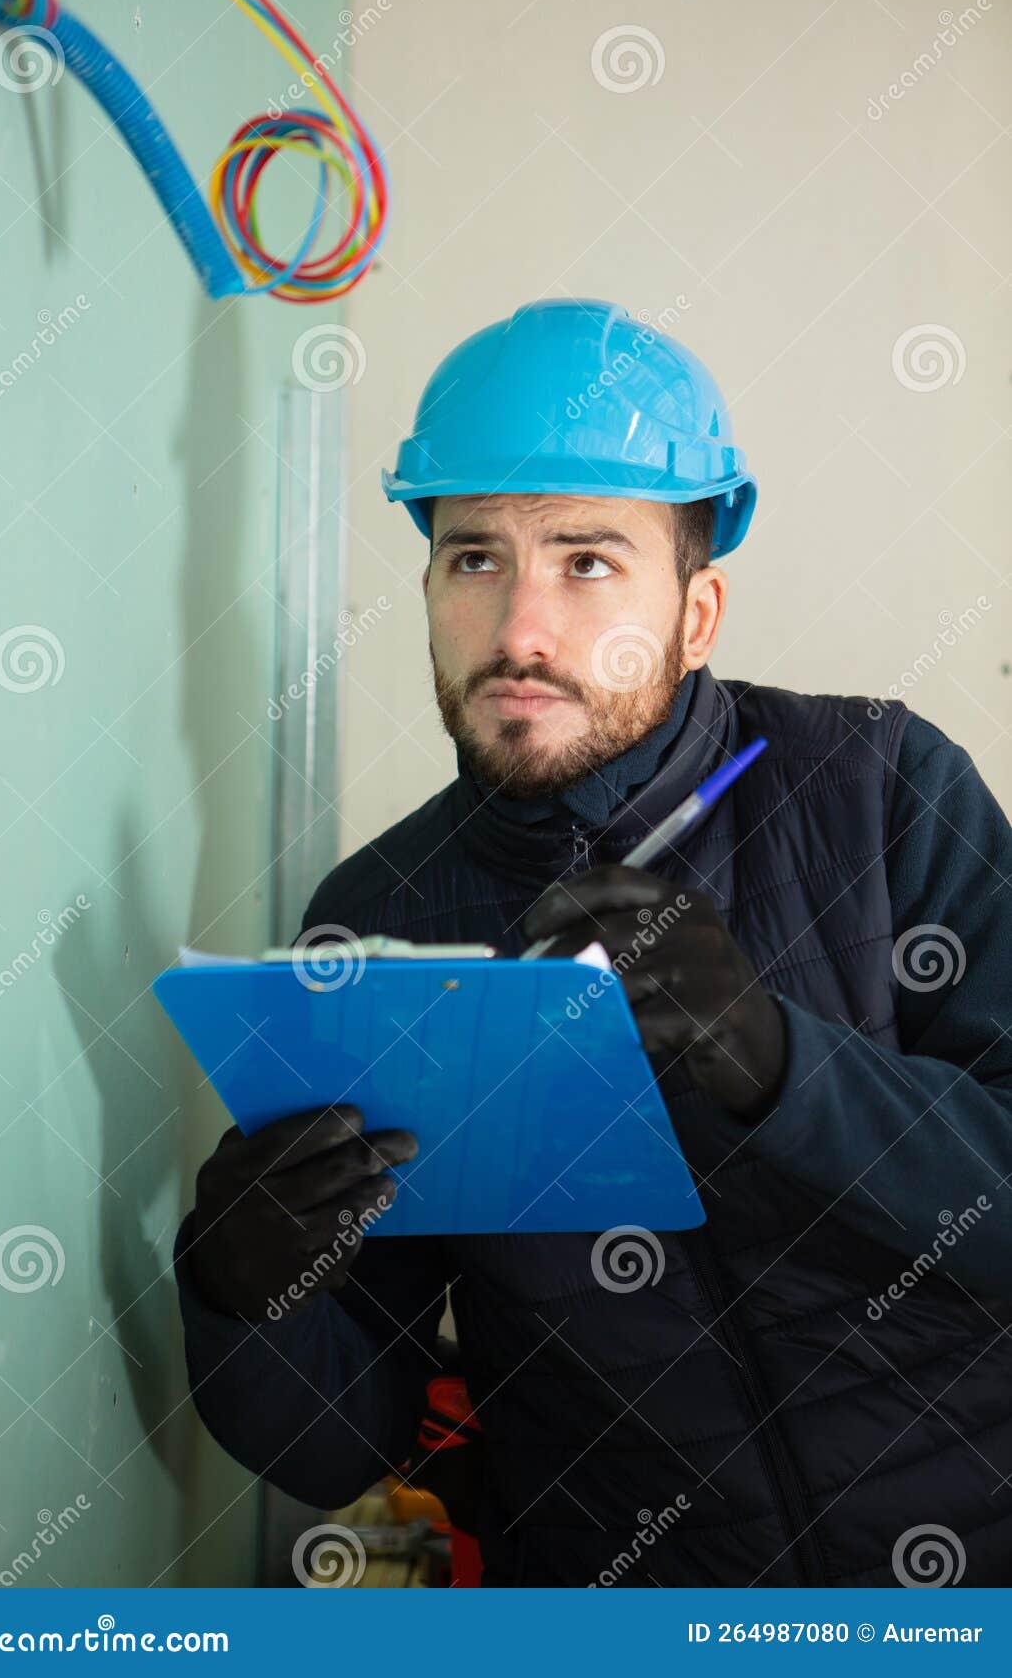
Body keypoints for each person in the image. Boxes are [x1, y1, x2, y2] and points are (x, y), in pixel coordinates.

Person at [174, 299, 1012, 1587]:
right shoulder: (373, 913)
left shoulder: (881, 787)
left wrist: (780, 1062)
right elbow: (350, 1442)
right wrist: (245, 1299)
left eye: (587, 560)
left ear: (698, 611)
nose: (520, 630)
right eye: (474, 559)